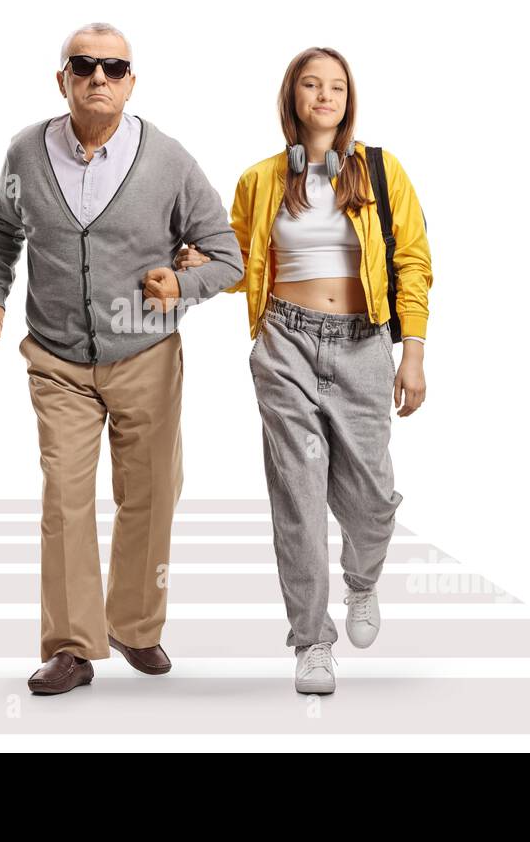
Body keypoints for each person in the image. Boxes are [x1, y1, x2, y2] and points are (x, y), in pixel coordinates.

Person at [0, 22, 244, 695]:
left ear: (131, 83)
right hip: (58, 357)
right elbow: (3, 233)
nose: (99, 77)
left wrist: (182, 283)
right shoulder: (26, 154)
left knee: (150, 493)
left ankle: (135, 625)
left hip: (145, 353)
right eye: (84, 66)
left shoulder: (169, 161)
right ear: (61, 78)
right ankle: (71, 646)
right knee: (64, 496)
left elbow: (228, 256)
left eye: (113, 68)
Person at [175, 46, 433, 694]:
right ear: (293, 96)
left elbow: (414, 262)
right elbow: (234, 262)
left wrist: (415, 352)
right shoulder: (262, 179)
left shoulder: (379, 170)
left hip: (363, 344)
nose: (324, 95)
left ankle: (363, 583)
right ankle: (312, 643)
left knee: (372, 499)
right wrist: (189, 266)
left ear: (349, 99)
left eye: (336, 86)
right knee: (298, 494)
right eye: (311, 85)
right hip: (286, 342)